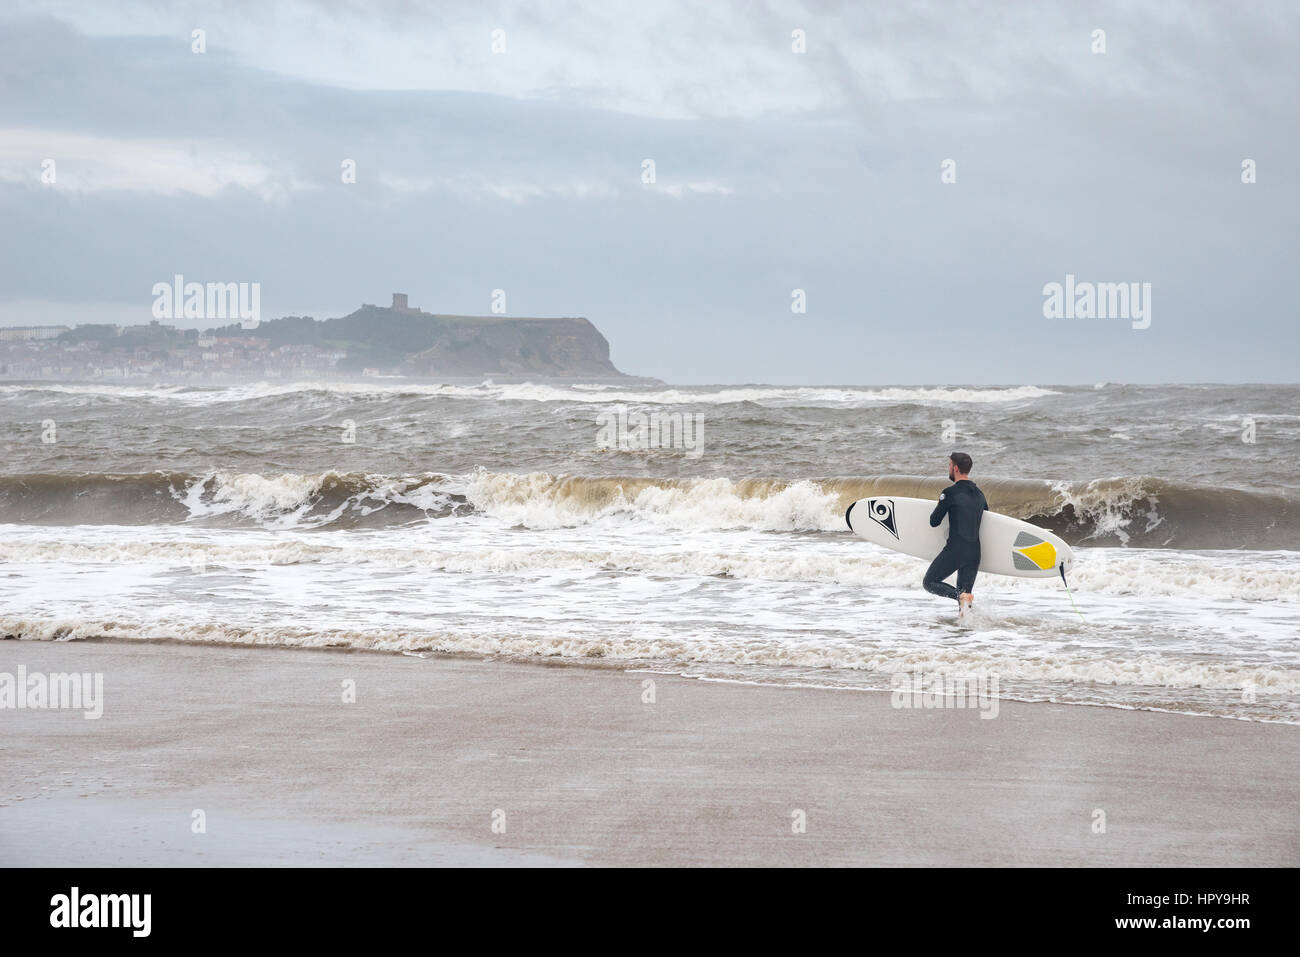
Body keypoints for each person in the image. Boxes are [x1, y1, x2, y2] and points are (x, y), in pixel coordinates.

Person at [923, 452, 987, 616]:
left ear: (956, 468)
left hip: (956, 550)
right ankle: (963, 634)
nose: (949, 469)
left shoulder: (949, 493)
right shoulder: (980, 495)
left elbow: (934, 521)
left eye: (950, 466)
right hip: (975, 553)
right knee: (965, 606)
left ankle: (959, 596)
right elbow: (988, 519)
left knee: (929, 582)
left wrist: (941, 502)